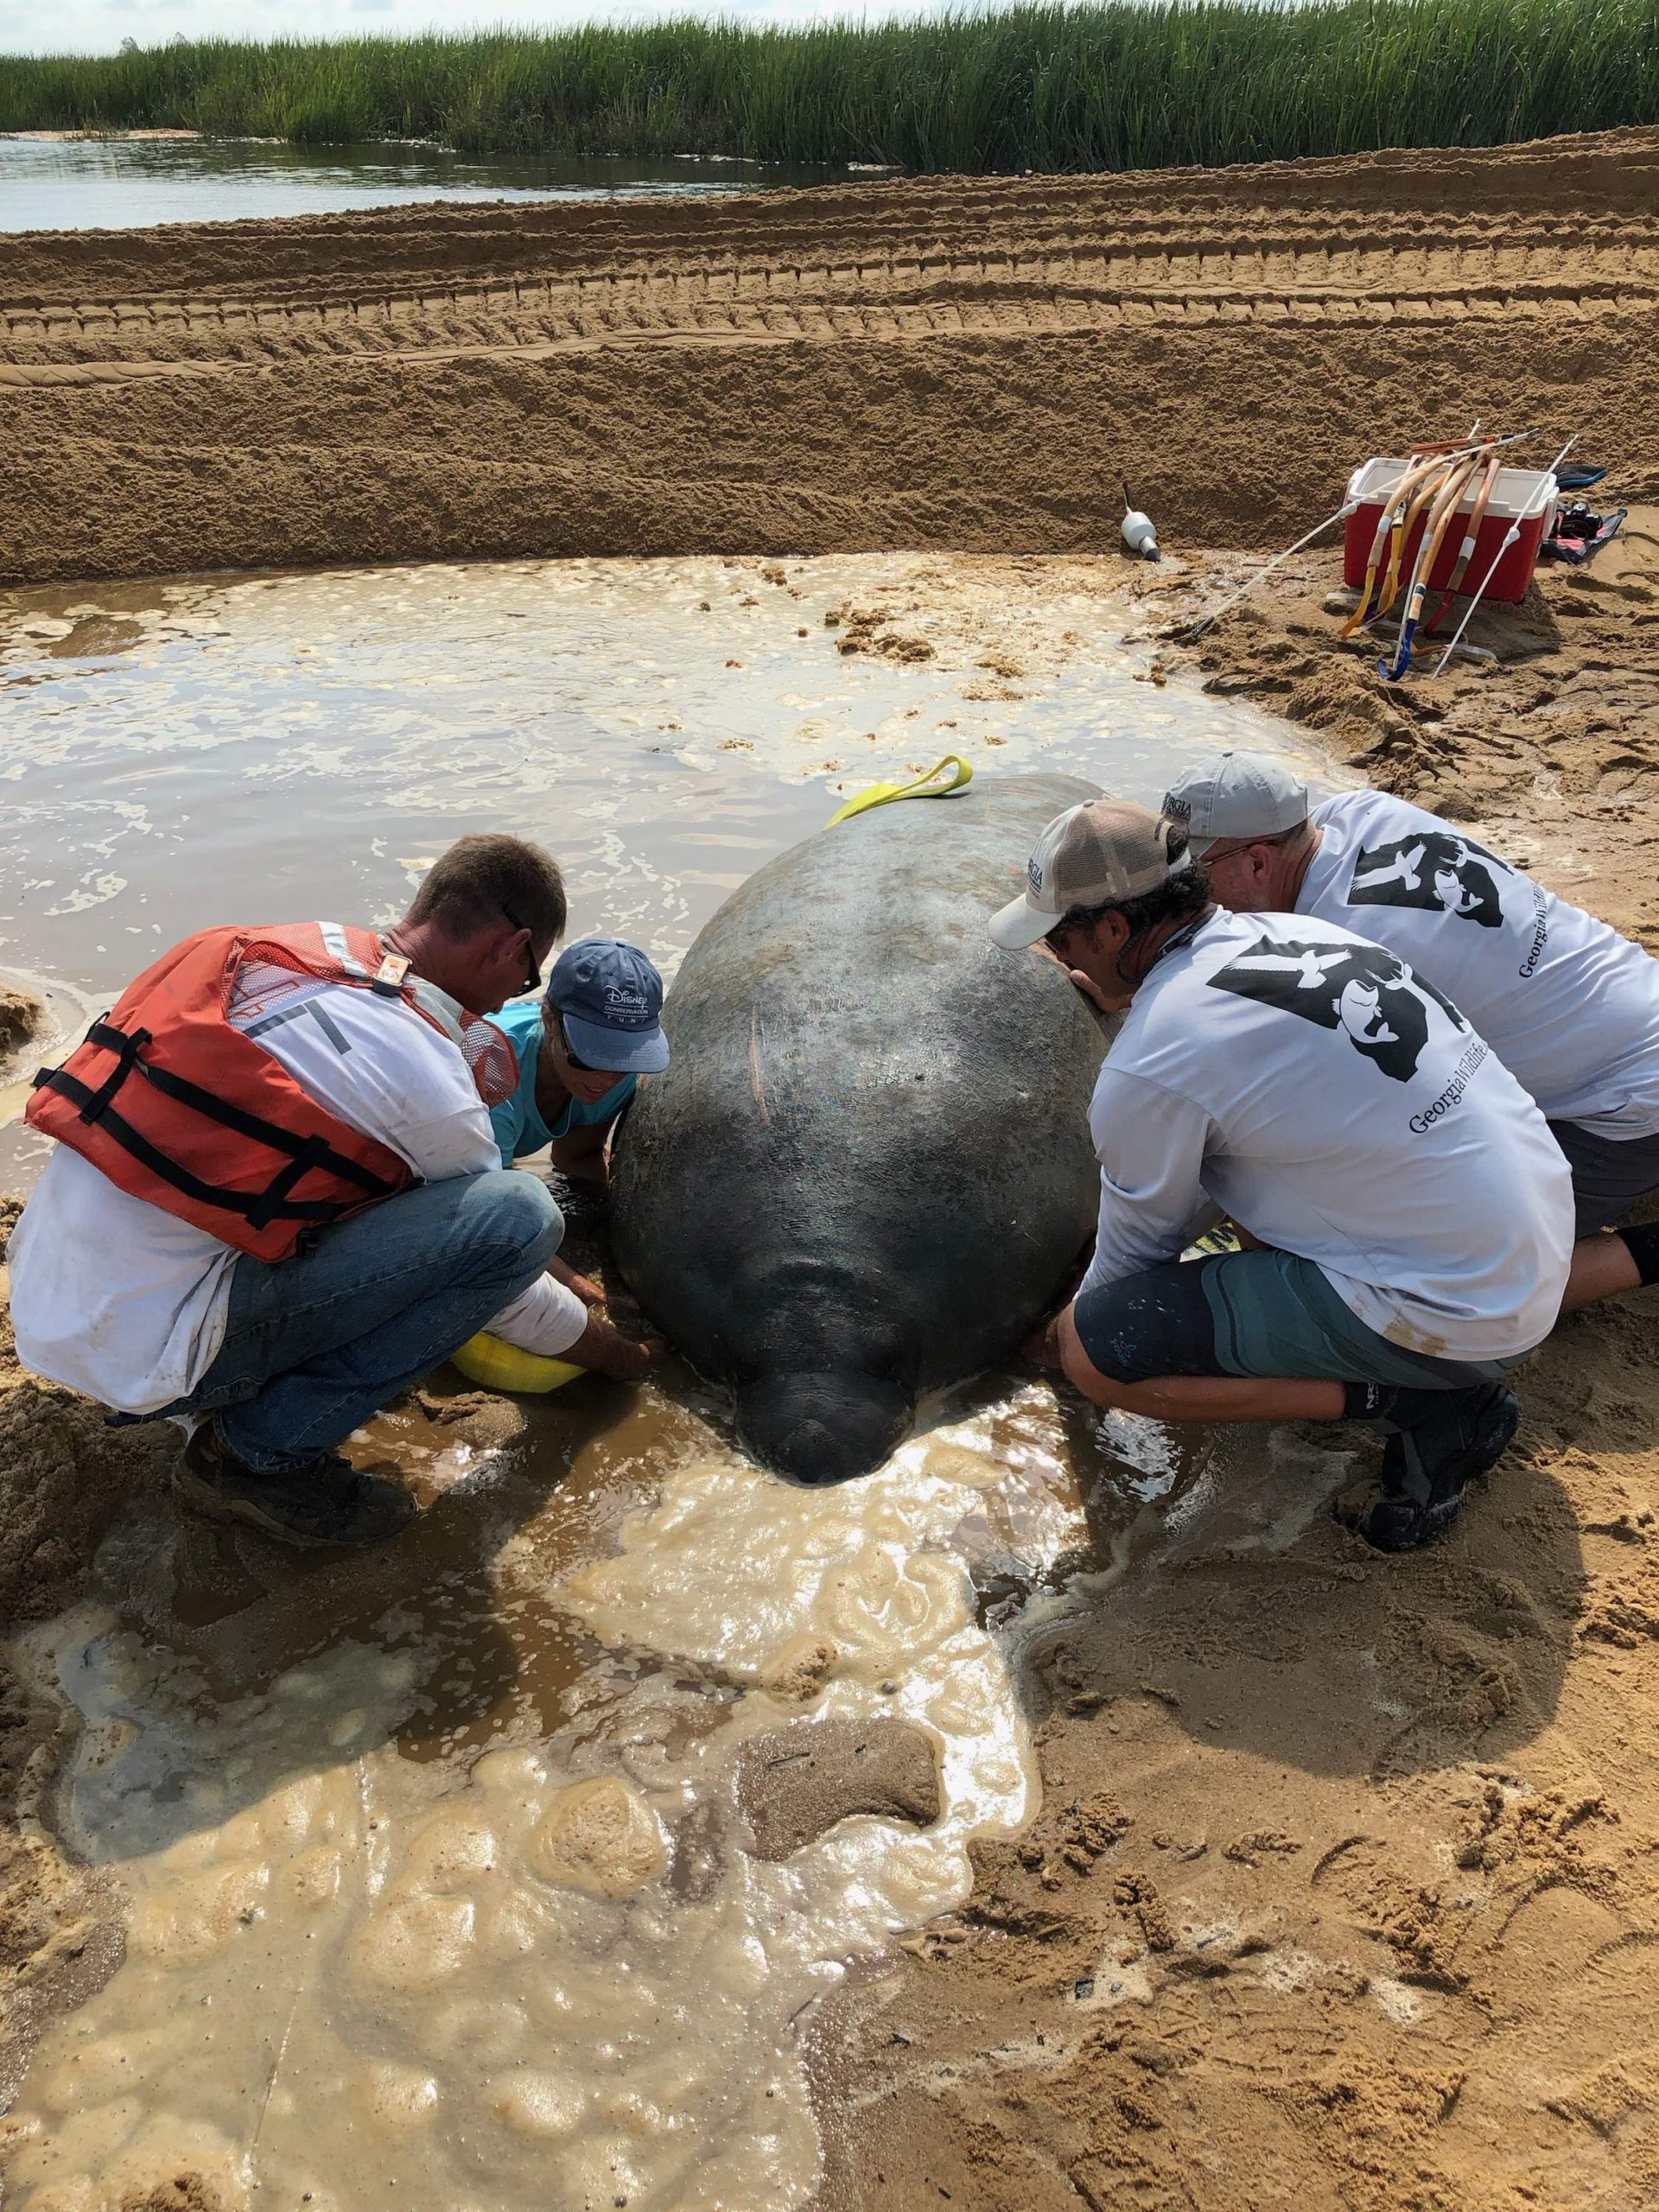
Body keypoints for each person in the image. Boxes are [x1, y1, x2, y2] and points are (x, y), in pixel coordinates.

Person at [9, 836, 658, 1552]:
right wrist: (615, 1357)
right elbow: (502, 1283)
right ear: (514, 947)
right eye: (526, 980)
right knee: (518, 1216)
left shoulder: (276, 949)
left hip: (44, 1305)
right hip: (150, 1365)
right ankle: (255, 1459)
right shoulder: (431, 1080)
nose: (513, 998)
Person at [988, 798, 1574, 1551]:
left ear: (1111, 929)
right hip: (1538, 1241)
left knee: (1103, 1348)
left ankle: (1422, 1407)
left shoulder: (1154, 1060)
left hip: (1464, 1315)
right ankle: (1402, 1359)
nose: (1063, 959)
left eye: (1063, 937)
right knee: (1248, 1161)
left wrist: (1053, 1342)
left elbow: (1137, 1255)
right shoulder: (1302, 933)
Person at [1162, 751, 1659, 1313]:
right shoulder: (1360, 811)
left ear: (1257, 862)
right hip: (1636, 1002)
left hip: (1624, 1108)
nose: (1185, 894)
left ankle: (1648, 1249)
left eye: (1194, 873)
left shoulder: (1337, 950)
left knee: (1424, 1287)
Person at [488, 938, 668, 1198]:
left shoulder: (620, 1079)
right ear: (550, 1021)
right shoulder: (493, 1070)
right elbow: (493, 1196)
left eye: (623, 1059)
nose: (606, 1079)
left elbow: (576, 1159)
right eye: (593, 1055)